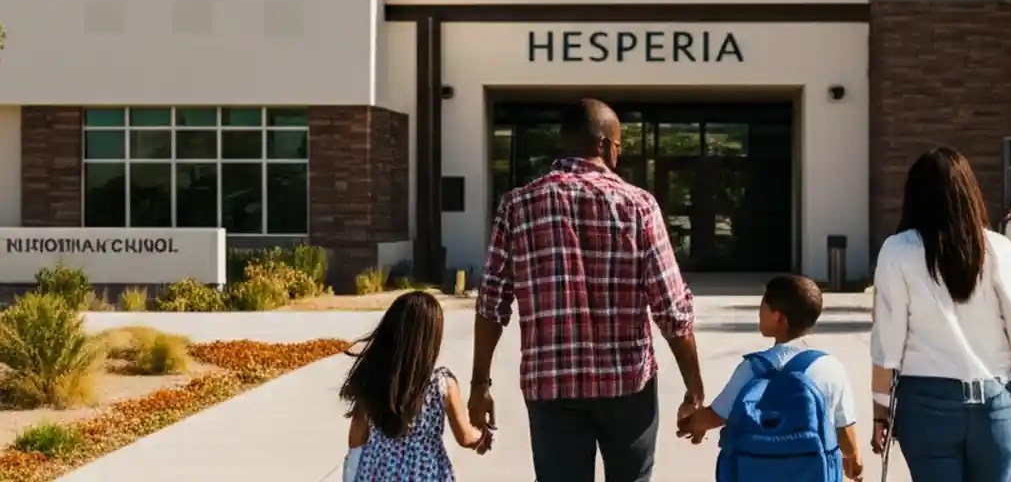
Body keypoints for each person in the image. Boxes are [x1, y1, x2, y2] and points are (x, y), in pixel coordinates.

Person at [469, 98, 705, 482]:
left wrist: (480, 385)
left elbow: (491, 303)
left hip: (551, 385)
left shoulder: (518, 206)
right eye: (618, 146)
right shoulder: (639, 205)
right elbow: (672, 307)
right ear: (602, 144)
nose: (619, 154)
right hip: (629, 384)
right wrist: (694, 388)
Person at [869, 147, 1011, 482]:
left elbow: (887, 341)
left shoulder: (898, 250)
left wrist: (880, 411)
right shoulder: (999, 249)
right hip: (996, 401)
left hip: (925, 403)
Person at [678, 274, 865, 481]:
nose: (759, 312)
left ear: (779, 318)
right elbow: (846, 433)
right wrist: (854, 463)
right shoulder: (831, 368)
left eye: (763, 306)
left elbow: (715, 416)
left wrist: (688, 421)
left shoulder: (751, 369)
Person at [339, 291, 489, 482]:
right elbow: (465, 436)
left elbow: (356, 440)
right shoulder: (442, 385)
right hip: (426, 474)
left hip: (377, 473)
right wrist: (483, 436)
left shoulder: (374, 379)